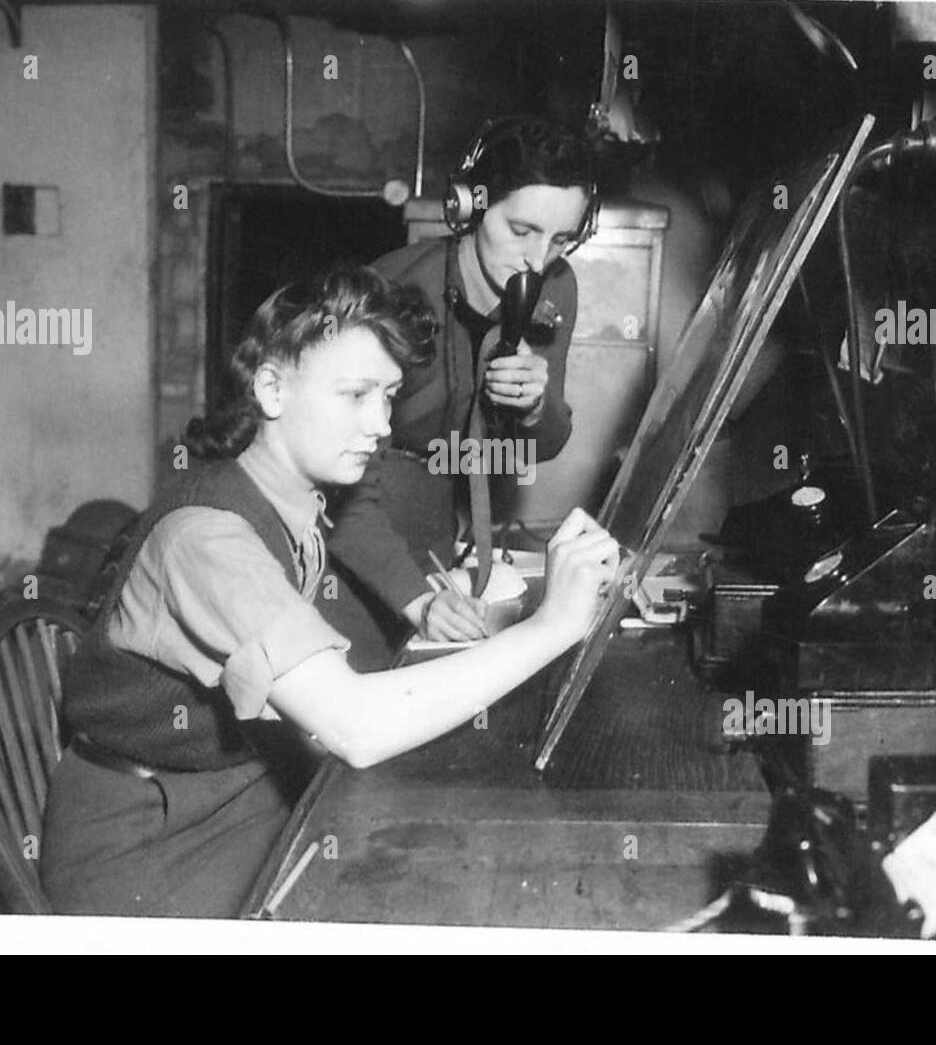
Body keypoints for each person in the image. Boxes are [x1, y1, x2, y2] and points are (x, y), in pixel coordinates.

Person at [41, 266, 619, 918]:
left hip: (231, 787)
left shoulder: (290, 499)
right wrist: (549, 628)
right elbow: (357, 727)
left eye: (390, 395)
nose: (380, 424)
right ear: (271, 388)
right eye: (354, 394)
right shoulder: (207, 541)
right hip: (146, 842)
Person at [323, 116, 598, 669]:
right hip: (352, 516)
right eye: (521, 230)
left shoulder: (557, 285)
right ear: (470, 207)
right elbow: (337, 489)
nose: (538, 260)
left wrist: (536, 406)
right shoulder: (390, 292)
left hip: (437, 507)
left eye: (561, 238)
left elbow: (542, 444)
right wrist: (415, 598)